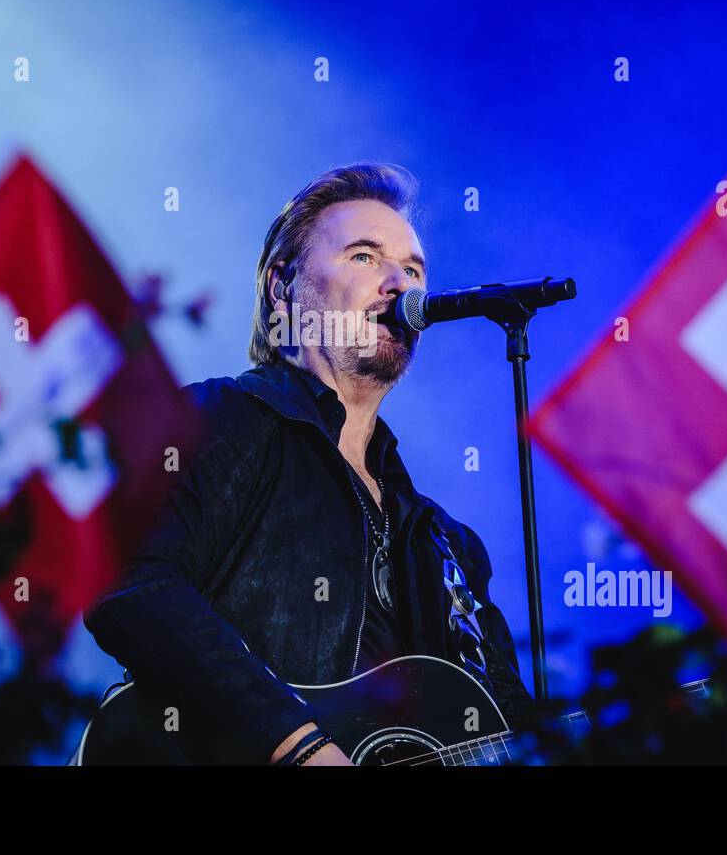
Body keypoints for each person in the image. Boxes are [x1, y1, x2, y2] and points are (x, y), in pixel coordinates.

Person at [84, 162, 537, 765]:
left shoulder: (447, 545)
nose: (401, 285)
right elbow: (127, 581)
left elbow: (511, 734)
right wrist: (296, 745)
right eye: (364, 257)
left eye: (413, 268)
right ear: (283, 285)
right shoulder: (214, 420)